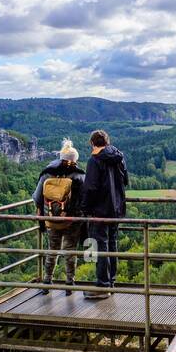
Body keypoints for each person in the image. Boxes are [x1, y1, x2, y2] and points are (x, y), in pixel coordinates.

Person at [32, 139, 87, 295]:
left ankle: (47, 281)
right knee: (70, 250)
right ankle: (69, 283)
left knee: (52, 249)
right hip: (72, 221)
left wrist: (43, 212)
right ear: (75, 160)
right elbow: (84, 200)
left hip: (51, 219)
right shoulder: (79, 176)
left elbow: (37, 197)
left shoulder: (47, 174)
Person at [80, 128, 128, 299]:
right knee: (112, 244)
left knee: (101, 246)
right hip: (116, 209)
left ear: (93, 143)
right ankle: (111, 281)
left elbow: (90, 187)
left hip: (100, 211)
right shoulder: (119, 158)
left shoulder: (94, 160)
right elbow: (125, 181)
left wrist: (85, 209)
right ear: (107, 142)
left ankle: (103, 285)